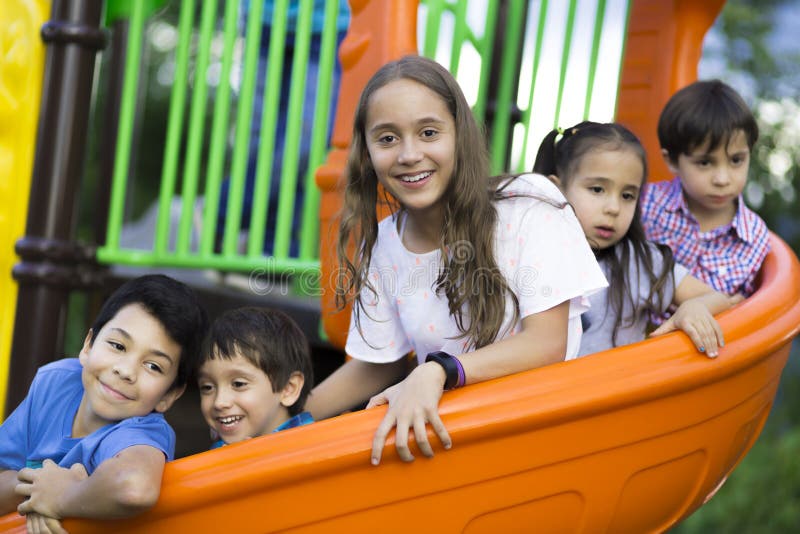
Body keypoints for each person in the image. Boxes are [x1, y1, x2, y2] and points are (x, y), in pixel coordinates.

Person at [305, 55, 608, 465]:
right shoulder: (384, 247)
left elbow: (546, 344)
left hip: (540, 440)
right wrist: (288, 423)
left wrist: (437, 370)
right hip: (452, 447)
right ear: (368, 152)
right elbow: (378, 365)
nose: (409, 154)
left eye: (428, 132)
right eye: (387, 139)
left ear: (459, 135)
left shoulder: (528, 205)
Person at [0, 275, 207, 531]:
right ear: (88, 346)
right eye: (118, 346)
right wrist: (38, 489)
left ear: (169, 395)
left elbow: (134, 487)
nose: (126, 371)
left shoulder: (141, 430)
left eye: (153, 366)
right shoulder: (56, 382)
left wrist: (63, 495)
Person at [533, 121, 732, 358]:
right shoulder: (532, 256)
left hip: (621, 392)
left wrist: (692, 307)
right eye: (597, 189)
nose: (614, 208)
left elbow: (716, 298)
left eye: (628, 195)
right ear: (556, 189)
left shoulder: (639, 262)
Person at [216, 0, 350, 255]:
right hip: (265, 16)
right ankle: (273, 246)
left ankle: (223, 212)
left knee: (305, 137)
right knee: (259, 136)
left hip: (329, 21)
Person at [641, 79, 770, 298]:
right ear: (672, 161)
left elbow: (746, 312)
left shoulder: (753, 236)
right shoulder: (646, 205)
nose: (722, 179)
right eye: (705, 163)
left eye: (736, 160)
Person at [197, 307, 314, 448]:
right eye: (207, 387)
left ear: (288, 388)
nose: (219, 402)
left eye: (238, 384)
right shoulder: (219, 451)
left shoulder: (310, 447)